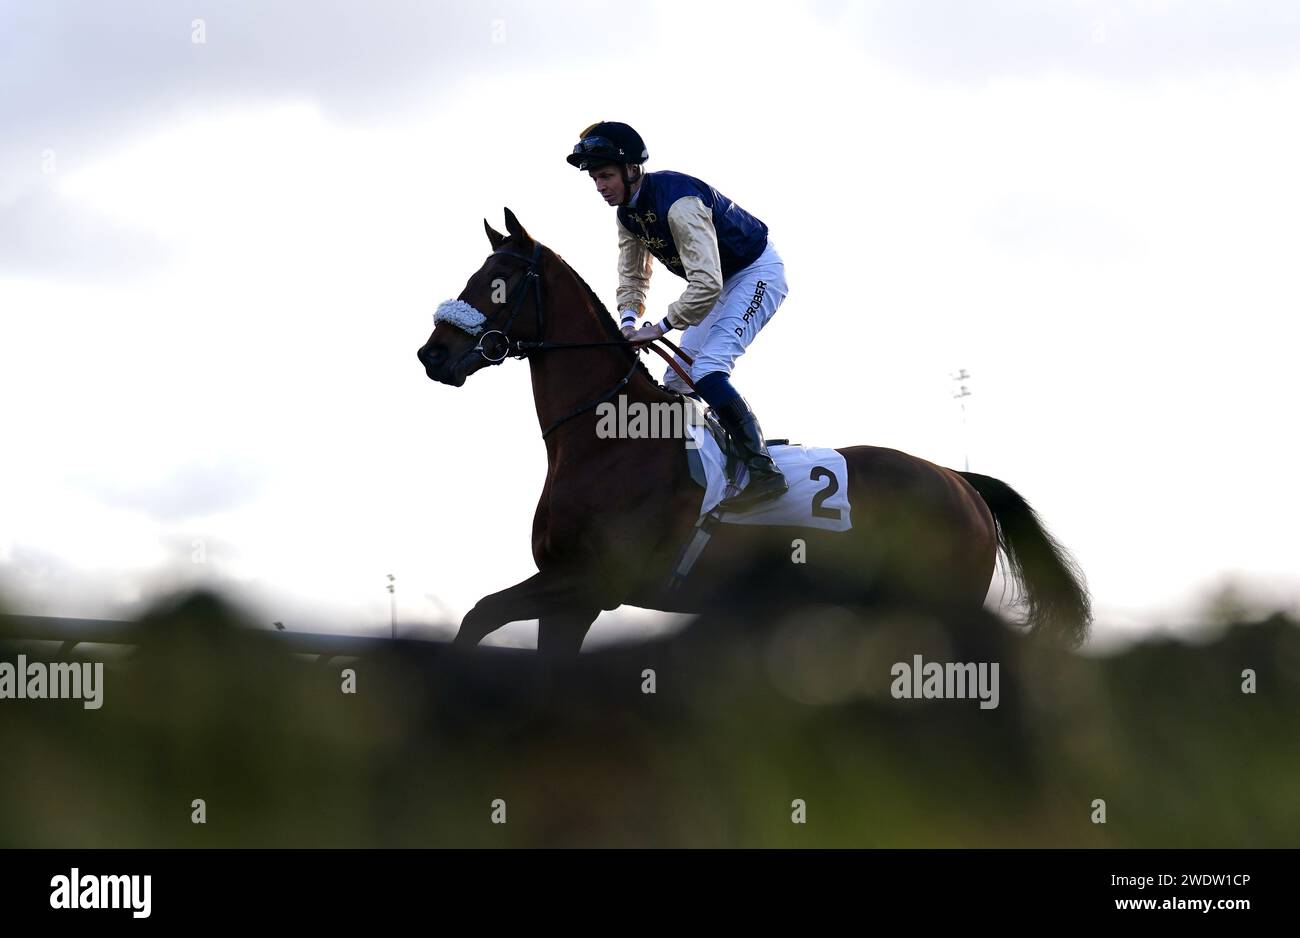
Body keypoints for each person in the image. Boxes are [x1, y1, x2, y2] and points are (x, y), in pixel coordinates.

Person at [566, 121, 790, 511]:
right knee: (676, 380)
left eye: (605, 176)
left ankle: (764, 474)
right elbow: (634, 277)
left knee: (707, 369)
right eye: (595, 179)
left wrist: (662, 326)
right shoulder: (627, 216)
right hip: (718, 283)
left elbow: (706, 283)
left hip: (755, 272)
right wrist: (629, 326)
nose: (600, 186)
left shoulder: (679, 205)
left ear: (631, 169)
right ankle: (707, 465)